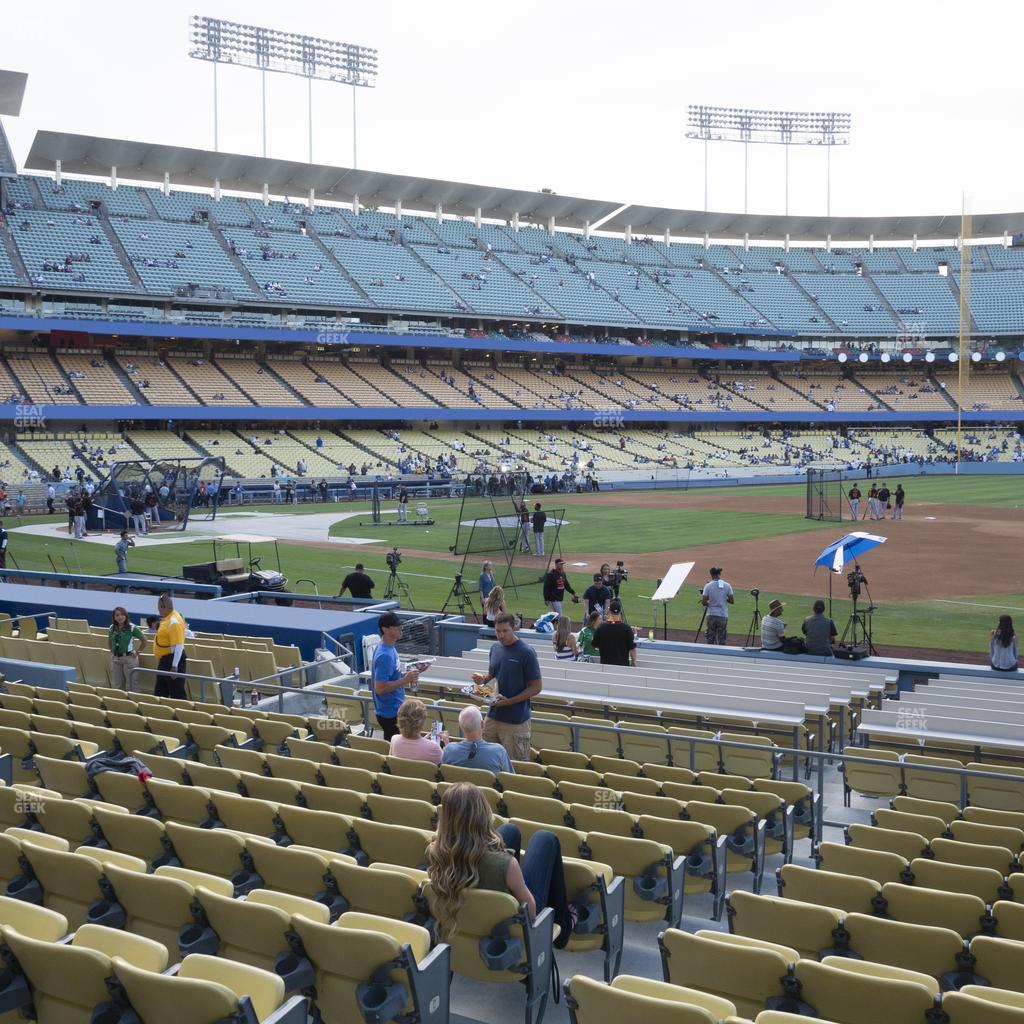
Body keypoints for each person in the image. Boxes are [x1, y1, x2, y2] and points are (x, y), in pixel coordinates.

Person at [425, 782, 578, 948]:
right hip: (511, 930)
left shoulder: (434, 853)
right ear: (482, 815)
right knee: (545, 839)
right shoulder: (507, 865)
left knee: (509, 830)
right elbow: (531, 913)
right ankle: (564, 928)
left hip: (467, 921)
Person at [471, 612, 541, 761]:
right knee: (486, 760)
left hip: (516, 720)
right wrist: (482, 679)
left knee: (515, 766)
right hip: (493, 715)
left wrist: (508, 702)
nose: (501, 635)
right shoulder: (495, 648)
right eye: (498, 631)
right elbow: (492, 675)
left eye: (505, 631)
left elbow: (536, 687)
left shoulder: (527, 652)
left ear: (514, 628)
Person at [371, 611, 421, 740]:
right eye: (396, 626)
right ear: (385, 629)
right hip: (390, 713)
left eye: (400, 625)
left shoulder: (388, 647)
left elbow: (391, 675)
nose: (401, 628)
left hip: (390, 710)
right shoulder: (385, 654)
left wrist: (409, 673)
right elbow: (380, 688)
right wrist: (405, 680)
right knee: (395, 752)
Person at [441, 705, 513, 775]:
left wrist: (447, 745)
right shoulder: (499, 751)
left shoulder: (448, 750)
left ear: (460, 726)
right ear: (482, 724)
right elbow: (509, 779)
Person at [389, 697, 446, 764]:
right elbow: (446, 766)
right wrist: (447, 745)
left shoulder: (394, 739)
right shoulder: (433, 747)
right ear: (422, 721)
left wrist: (423, 740)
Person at [154, 594, 188, 699]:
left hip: (171, 660)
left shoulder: (174, 622)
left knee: (177, 693)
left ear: (162, 606)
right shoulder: (168, 618)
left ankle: (182, 714)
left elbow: (178, 645)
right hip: (165, 660)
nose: (157, 608)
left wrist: (174, 666)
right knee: (160, 692)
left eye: (158, 606)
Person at [109, 605, 146, 690]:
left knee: (132, 685)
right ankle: (121, 703)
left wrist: (137, 652)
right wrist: (112, 652)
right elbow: (110, 640)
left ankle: (135, 702)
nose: (120, 617)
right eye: (117, 615)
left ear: (126, 615)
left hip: (129, 658)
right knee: (118, 685)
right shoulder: (112, 628)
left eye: (122, 614)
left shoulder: (132, 627)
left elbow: (144, 641)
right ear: (114, 617)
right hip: (116, 659)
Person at [592, 600, 637, 667]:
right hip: (622, 666)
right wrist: (634, 662)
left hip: (605, 666)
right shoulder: (627, 628)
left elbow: (594, 644)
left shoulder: (601, 628)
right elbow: (632, 649)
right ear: (620, 611)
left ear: (609, 611)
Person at [701, 567, 734, 645]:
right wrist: (724, 599)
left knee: (710, 637)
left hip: (711, 614)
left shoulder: (708, 586)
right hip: (722, 615)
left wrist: (711, 603)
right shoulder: (727, 585)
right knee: (722, 638)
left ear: (711, 575)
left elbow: (704, 602)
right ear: (719, 574)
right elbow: (732, 601)